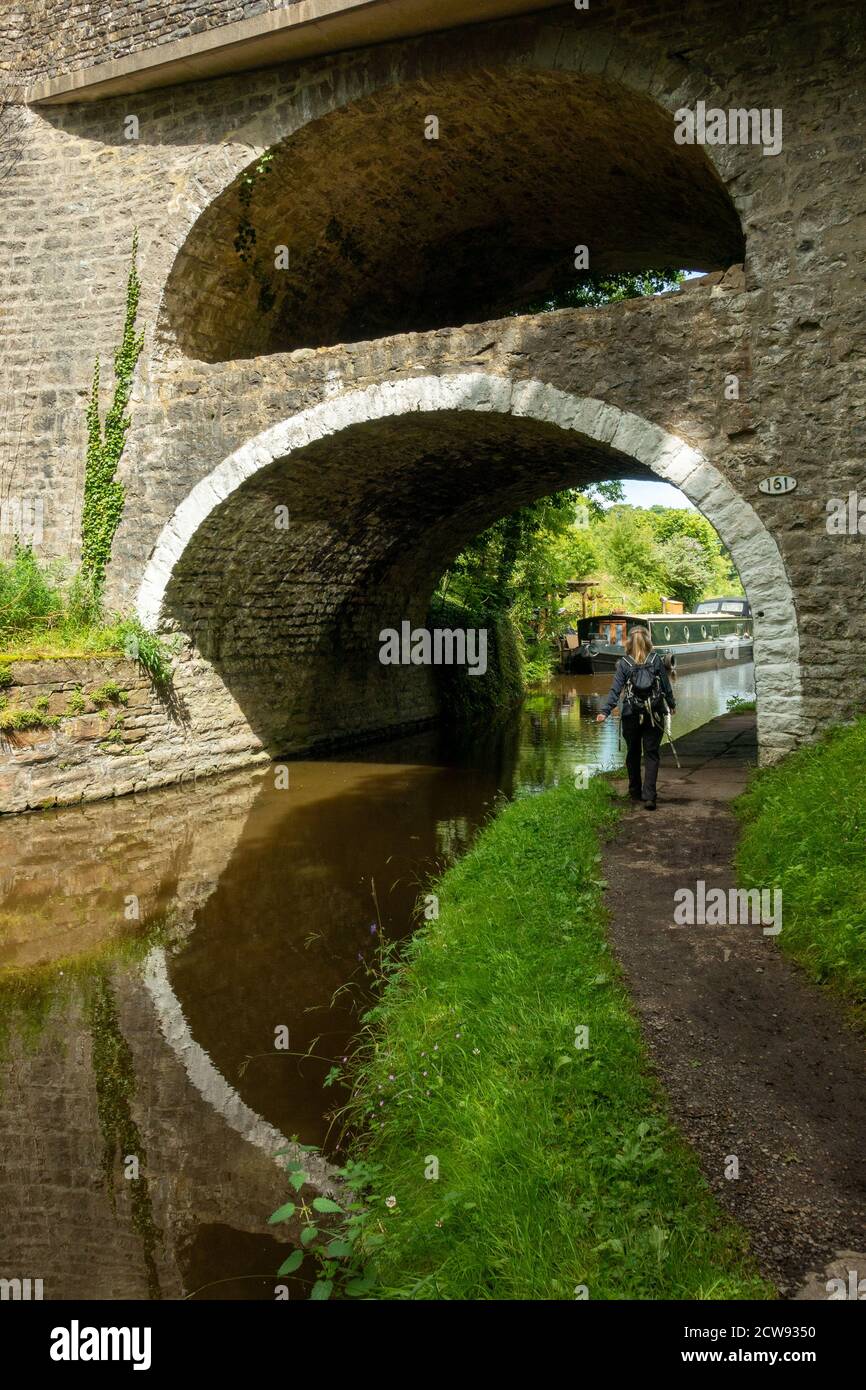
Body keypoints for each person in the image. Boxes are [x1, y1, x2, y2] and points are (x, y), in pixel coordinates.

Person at [595, 625, 676, 810]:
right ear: (648, 640)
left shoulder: (624, 663)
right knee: (651, 754)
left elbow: (615, 690)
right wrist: (671, 705)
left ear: (629, 642)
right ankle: (650, 797)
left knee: (632, 753)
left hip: (631, 714)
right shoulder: (656, 660)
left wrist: (605, 711)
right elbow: (665, 685)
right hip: (654, 714)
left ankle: (634, 793)